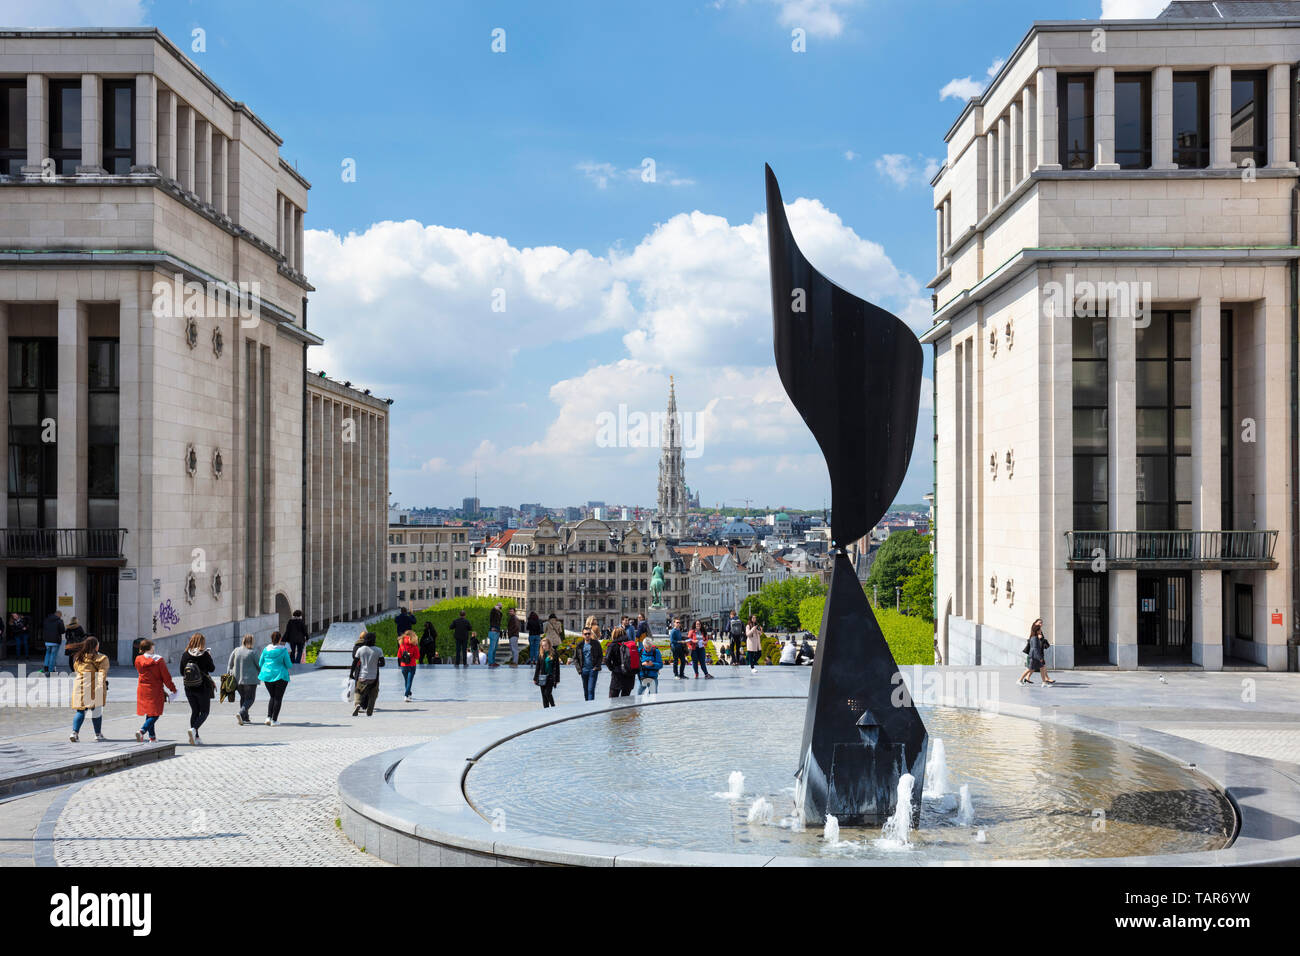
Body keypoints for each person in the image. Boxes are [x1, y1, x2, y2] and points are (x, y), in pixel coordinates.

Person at [68, 636, 110, 742]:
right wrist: (100, 686)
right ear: (96, 646)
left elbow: (76, 668)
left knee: (80, 710)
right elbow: (102, 673)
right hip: (93, 684)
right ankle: (98, 734)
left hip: (80, 685)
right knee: (96, 710)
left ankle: (74, 733)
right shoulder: (101, 658)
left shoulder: (79, 657)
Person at [134, 638, 176, 743]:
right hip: (155, 690)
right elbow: (166, 677)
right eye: (153, 646)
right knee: (155, 713)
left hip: (143, 689)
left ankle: (152, 737)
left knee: (149, 713)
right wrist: (173, 689)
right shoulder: (159, 660)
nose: (154, 648)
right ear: (150, 648)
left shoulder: (138, 659)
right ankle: (142, 730)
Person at [178, 633, 216, 745]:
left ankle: (195, 737)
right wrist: (209, 656)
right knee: (204, 712)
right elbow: (212, 669)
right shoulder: (204, 655)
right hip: (202, 687)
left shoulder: (185, 654)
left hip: (189, 687)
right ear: (202, 643)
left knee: (195, 711)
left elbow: (181, 672)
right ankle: (194, 730)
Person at [258, 630, 293, 725]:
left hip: (267, 676)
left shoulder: (266, 649)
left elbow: (260, 663)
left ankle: (268, 717)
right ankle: (274, 720)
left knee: (272, 696)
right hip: (280, 676)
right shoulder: (283, 650)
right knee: (278, 698)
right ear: (280, 639)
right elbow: (289, 665)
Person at [228, 634, 260, 725]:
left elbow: (230, 664)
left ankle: (245, 718)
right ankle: (241, 713)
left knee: (243, 698)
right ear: (252, 642)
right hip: (250, 680)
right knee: (250, 699)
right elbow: (259, 665)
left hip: (237, 679)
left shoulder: (236, 650)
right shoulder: (253, 652)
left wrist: (229, 675)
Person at [352, 631, 385, 716]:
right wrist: (376, 664)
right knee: (373, 693)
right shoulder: (378, 650)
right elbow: (383, 663)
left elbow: (354, 662)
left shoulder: (360, 649)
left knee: (358, 691)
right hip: (374, 677)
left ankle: (357, 704)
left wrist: (351, 673)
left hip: (362, 676)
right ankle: (369, 709)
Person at [573, 617, 604, 701]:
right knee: (586, 691)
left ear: (591, 634)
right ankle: (587, 706)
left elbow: (600, 656)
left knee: (591, 690)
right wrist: (579, 669)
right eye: (585, 634)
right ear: (582, 635)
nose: (587, 635)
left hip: (592, 670)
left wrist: (596, 667)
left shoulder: (595, 643)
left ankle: (591, 707)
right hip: (584, 670)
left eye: (588, 634)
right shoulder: (579, 645)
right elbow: (575, 658)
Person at [1019, 619, 1056, 686]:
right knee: (1030, 669)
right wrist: (1040, 658)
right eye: (1039, 623)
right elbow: (1035, 649)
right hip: (1034, 656)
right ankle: (1020, 680)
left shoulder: (1036, 635)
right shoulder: (1034, 637)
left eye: (1041, 623)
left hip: (1036, 655)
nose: (1041, 624)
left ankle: (1044, 682)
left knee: (1041, 667)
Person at [606, 625, 638, 698]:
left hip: (617, 674)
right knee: (626, 699)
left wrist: (612, 668)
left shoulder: (612, 645)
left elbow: (607, 659)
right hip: (630, 674)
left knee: (613, 699)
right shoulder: (631, 644)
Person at [533, 636, 560, 708]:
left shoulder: (554, 654)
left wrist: (557, 679)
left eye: (545, 645)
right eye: (543, 646)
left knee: (547, 693)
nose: (544, 647)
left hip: (550, 677)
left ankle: (553, 706)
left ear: (549, 645)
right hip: (542, 677)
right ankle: (546, 710)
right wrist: (535, 678)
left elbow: (557, 667)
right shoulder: (541, 654)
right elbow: (537, 667)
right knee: (543, 696)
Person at [398, 629, 420, 702]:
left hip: (403, 665)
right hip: (412, 665)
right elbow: (417, 656)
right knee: (409, 681)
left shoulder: (401, 644)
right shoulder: (414, 645)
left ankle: (409, 694)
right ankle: (406, 695)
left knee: (406, 680)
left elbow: (399, 655)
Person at [41, 610, 65, 675]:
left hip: (47, 640)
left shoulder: (46, 620)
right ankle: (51, 670)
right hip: (55, 641)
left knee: (47, 653)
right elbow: (62, 631)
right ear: (59, 615)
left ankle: (46, 668)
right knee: (53, 655)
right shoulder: (59, 621)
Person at [488, 603, 503, 668]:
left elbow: (500, 617)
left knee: (494, 648)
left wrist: (499, 611)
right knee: (492, 648)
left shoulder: (499, 613)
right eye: (499, 607)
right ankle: (491, 662)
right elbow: (492, 613)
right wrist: (495, 608)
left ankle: (493, 662)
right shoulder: (493, 611)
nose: (499, 608)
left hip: (497, 631)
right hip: (493, 631)